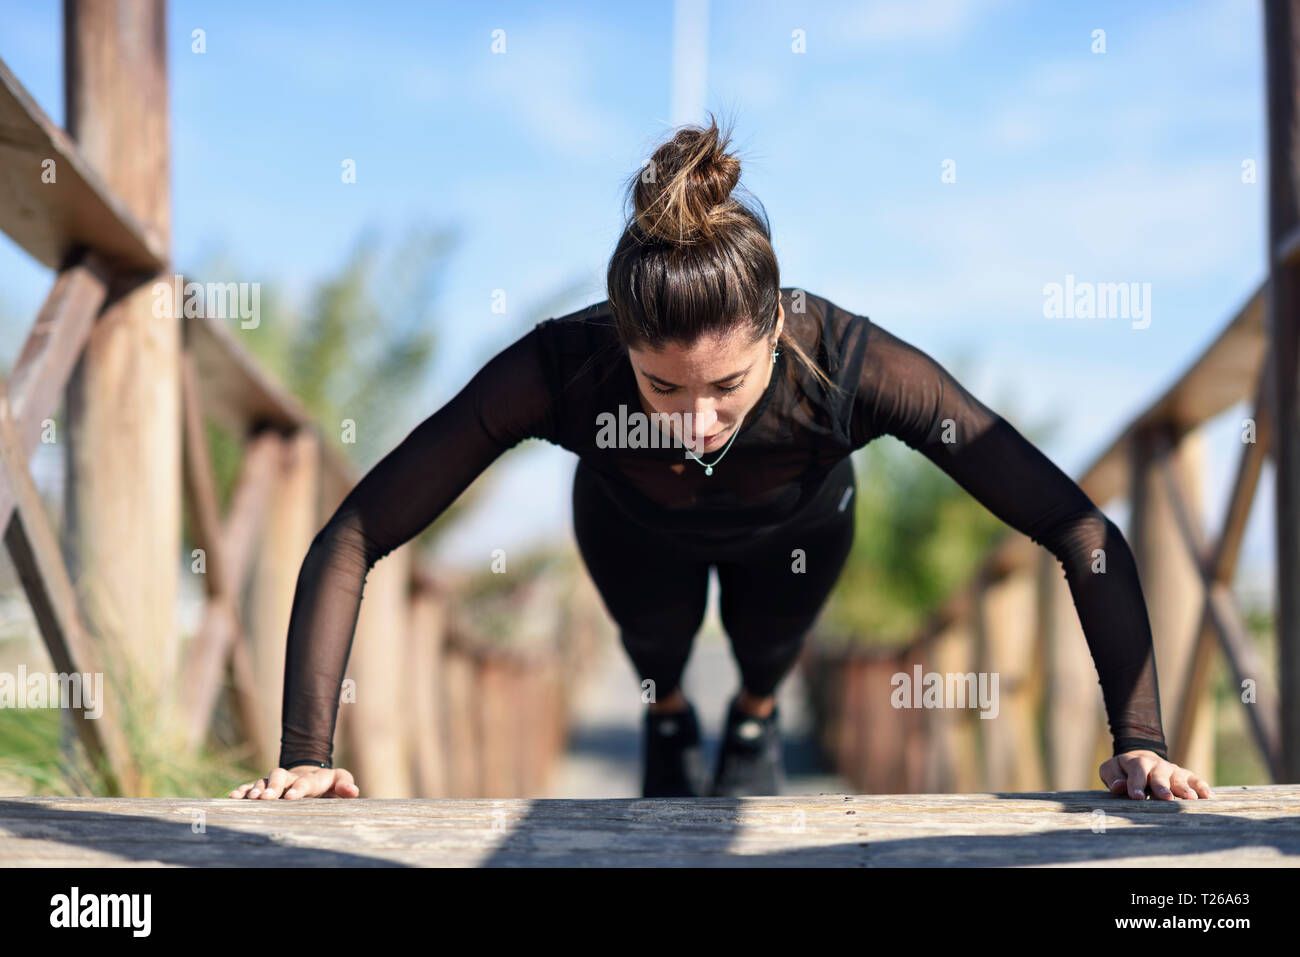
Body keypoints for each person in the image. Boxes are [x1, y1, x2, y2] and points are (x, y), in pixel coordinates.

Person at [229, 112, 1212, 803]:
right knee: (658, 648)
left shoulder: (850, 362)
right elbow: (357, 532)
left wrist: (1140, 744)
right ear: (619, 341)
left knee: (764, 653)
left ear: (776, 330)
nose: (696, 422)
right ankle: (664, 714)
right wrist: (306, 753)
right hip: (630, 528)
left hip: (796, 531)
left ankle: (750, 718)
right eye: (661, 389)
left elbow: (1077, 527)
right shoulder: (559, 367)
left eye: (726, 388)